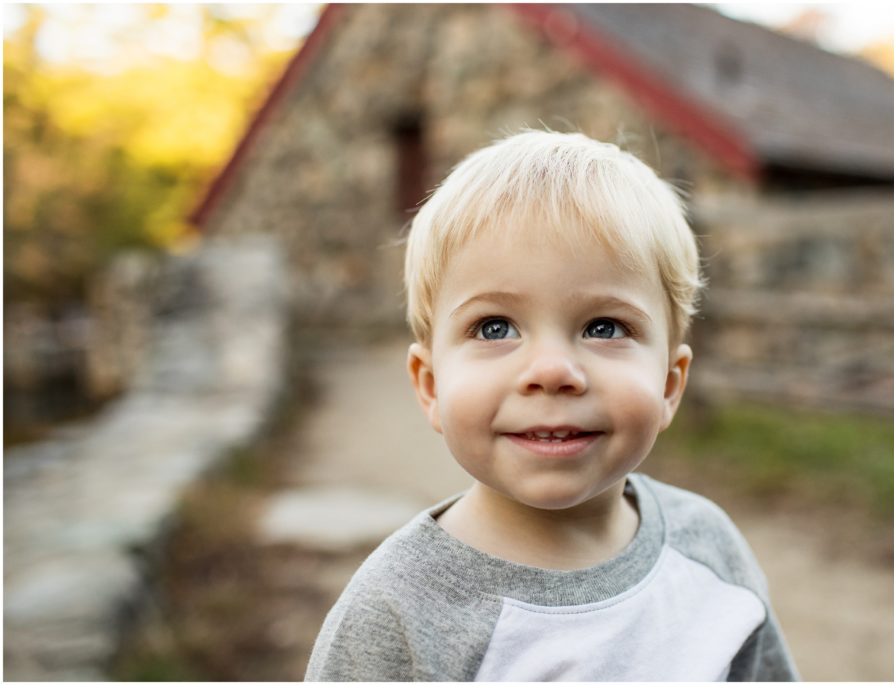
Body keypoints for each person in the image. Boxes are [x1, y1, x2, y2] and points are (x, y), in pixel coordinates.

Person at [305, 129, 799, 681]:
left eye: (604, 326)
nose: (552, 371)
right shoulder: (400, 609)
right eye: (495, 327)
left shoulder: (708, 550)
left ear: (668, 385)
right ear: (431, 385)